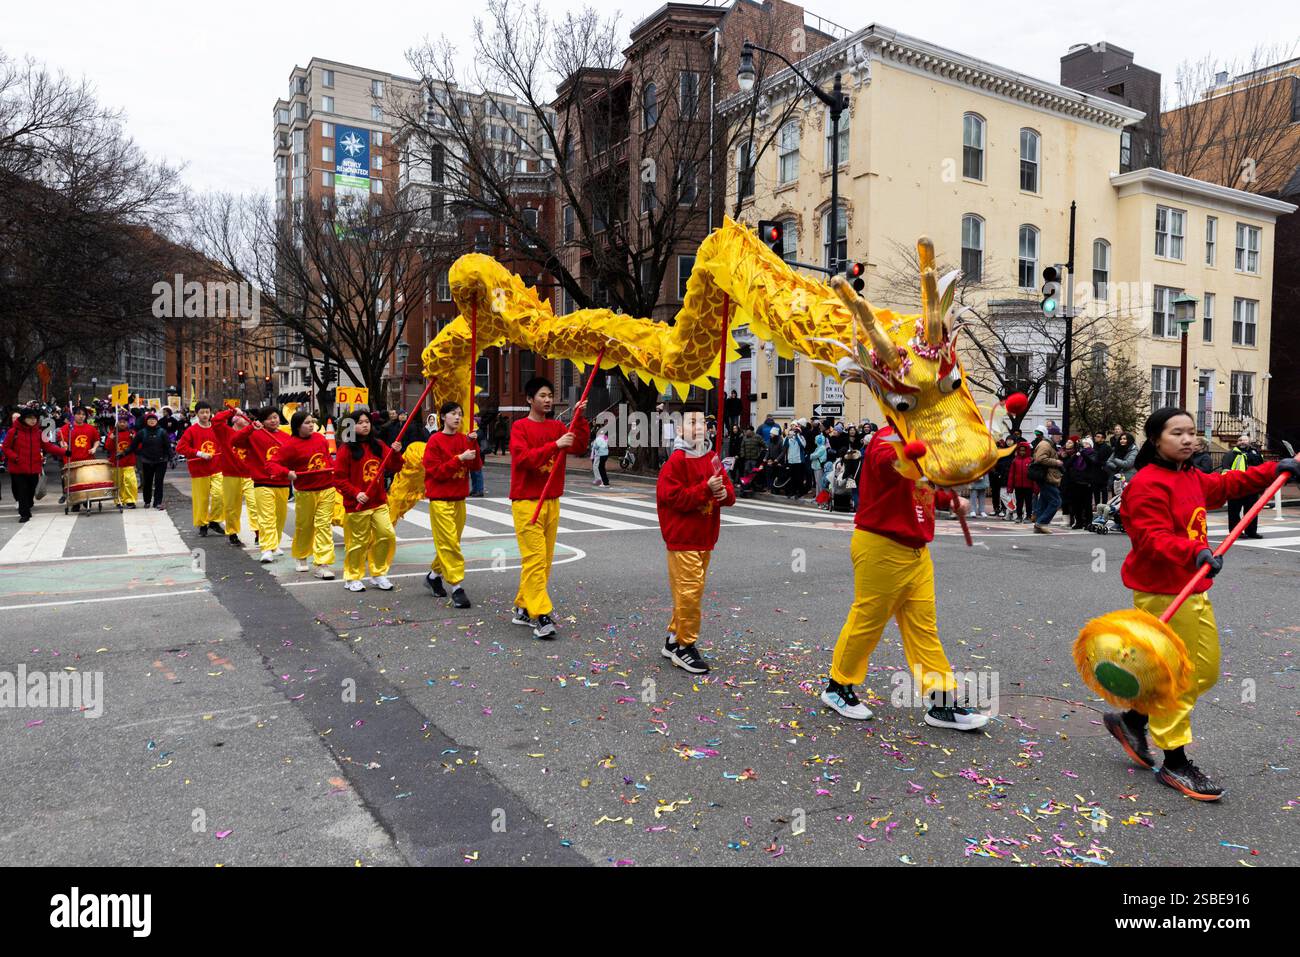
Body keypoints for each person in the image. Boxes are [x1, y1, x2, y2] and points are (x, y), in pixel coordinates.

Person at [1105, 407, 1300, 800]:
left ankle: (1132, 719)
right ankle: (1174, 762)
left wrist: (1278, 470)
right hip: (1163, 591)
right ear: (1155, 439)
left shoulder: (1191, 476)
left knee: (1204, 672)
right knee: (1176, 677)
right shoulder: (1146, 484)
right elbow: (1151, 538)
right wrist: (1193, 552)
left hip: (1193, 587)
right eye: (1177, 433)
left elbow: (1228, 485)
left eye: (1191, 432)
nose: (1188, 439)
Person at [821, 426, 988, 731]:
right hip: (881, 544)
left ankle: (941, 702)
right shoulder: (888, 439)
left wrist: (948, 501)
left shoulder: (920, 441)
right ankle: (837, 686)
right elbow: (894, 467)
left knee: (923, 627)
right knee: (867, 621)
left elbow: (919, 488)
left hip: (916, 550)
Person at [509, 376, 589, 639]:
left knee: (543, 561)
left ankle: (522, 605)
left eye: (550, 395)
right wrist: (554, 445)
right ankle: (540, 614)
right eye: (542, 395)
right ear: (530, 399)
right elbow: (523, 460)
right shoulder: (519, 427)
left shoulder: (557, 426)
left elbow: (578, 446)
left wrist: (580, 418)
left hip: (551, 500)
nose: (547, 400)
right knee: (534, 559)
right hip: (526, 503)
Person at [657, 410, 735, 675]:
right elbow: (674, 498)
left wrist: (723, 493)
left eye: (702, 422)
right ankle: (685, 646)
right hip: (683, 538)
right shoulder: (676, 461)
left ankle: (673, 638)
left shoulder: (712, 459)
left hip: (705, 537)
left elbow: (729, 495)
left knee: (692, 590)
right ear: (679, 430)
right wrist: (706, 490)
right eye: (692, 422)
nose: (700, 426)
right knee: (689, 591)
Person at [422, 401, 481, 608]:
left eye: (460, 414)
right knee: (449, 544)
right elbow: (435, 472)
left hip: (459, 500)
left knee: (450, 542)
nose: (457, 417)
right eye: (453, 414)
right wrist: (459, 458)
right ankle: (457, 587)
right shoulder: (435, 441)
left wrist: (473, 444)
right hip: (440, 501)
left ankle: (433, 575)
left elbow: (476, 467)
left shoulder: (464, 440)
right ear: (443, 417)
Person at [334, 409, 401, 591]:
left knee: (386, 535)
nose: (365, 425)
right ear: (351, 426)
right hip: (357, 506)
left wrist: (395, 453)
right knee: (357, 542)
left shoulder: (378, 445)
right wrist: (356, 493)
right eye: (360, 422)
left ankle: (378, 573)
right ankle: (352, 577)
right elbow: (339, 479)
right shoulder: (345, 449)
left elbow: (395, 466)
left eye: (367, 422)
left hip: (378, 502)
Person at [268, 409, 336, 578]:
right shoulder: (290, 445)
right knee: (305, 526)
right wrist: (287, 473)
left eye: (312, 421)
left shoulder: (320, 439)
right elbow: (272, 464)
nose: (311, 425)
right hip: (306, 491)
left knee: (323, 526)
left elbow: (327, 458)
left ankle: (323, 564)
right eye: (307, 422)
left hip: (327, 488)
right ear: (298, 426)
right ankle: (301, 556)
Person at [232, 407, 290, 563]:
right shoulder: (254, 435)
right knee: (266, 517)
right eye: (270, 418)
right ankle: (266, 548)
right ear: (262, 421)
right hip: (262, 482)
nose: (274, 420)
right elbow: (235, 441)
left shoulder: (286, 437)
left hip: (282, 483)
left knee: (279, 517)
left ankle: (274, 544)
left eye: (276, 417)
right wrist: (251, 427)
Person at [3, 406, 66, 522]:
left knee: (31, 489)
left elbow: (49, 446)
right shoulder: (13, 432)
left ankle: (27, 505)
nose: (33, 420)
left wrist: (65, 452)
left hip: (34, 468)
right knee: (22, 490)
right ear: (23, 419)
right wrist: (16, 457)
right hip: (18, 468)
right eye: (30, 418)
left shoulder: (39, 432)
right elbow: (6, 448)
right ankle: (24, 513)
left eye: (35, 418)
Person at [174, 401, 226, 537]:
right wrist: (198, 453)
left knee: (219, 494)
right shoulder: (191, 430)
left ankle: (214, 521)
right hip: (199, 470)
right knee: (201, 499)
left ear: (211, 413)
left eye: (207, 412)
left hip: (216, 468)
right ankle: (202, 524)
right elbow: (180, 448)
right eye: (202, 412)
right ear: (197, 414)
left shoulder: (216, 428)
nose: (205, 415)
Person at [213, 406, 257, 547]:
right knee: (232, 506)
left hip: (250, 474)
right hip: (231, 474)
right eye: (242, 415)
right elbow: (216, 420)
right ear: (236, 420)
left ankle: (258, 532)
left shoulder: (253, 433)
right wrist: (231, 411)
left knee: (255, 504)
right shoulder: (225, 432)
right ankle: (232, 533)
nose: (245, 417)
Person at [118, 411, 171, 509]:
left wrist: (171, 458)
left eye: (154, 419)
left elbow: (168, 446)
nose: (152, 421)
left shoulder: (162, 432)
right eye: (150, 419)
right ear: (146, 421)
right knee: (147, 482)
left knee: (159, 482)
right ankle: (147, 501)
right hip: (147, 461)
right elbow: (133, 446)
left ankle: (158, 502)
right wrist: (123, 454)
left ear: (157, 421)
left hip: (161, 461)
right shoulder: (142, 432)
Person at [58, 406, 101, 512]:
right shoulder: (67, 428)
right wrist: (63, 445)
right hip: (71, 460)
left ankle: (87, 500)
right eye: (78, 414)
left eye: (83, 414)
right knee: (73, 482)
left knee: (87, 481)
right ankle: (75, 502)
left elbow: (96, 440)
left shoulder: (91, 428)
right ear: (73, 415)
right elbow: (61, 440)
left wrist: (94, 448)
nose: (81, 416)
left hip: (87, 459)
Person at [1222, 436, 1266, 540]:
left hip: (1251, 487)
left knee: (1251, 511)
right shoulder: (1231, 454)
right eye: (1240, 440)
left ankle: (1251, 532)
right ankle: (1235, 532)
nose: (1242, 442)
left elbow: (1261, 468)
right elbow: (1225, 469)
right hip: (1236, 487)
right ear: (1237, 442)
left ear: (1249, 442)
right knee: (1234, 511)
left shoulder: (1256, 453)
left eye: (1245, 440)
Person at [104, 412, 138, 509]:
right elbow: (108, 447)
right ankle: (118, 500)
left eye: (124, 422)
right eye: (120, 422)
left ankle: (130, 500)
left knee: (130, 481)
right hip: (116, 462)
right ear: (117, 422)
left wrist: (134, 439)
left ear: (128, 423)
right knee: (117, 482)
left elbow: (138, 447)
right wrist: (111, 439)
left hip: (129, 461)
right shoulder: (112, 433)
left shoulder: (132, 432)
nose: (122, 424)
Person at [1031, 431, 1064, 533]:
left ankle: (1038, 525)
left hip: (1048, 476)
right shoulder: (1045, 444)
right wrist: (1056, 462)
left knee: (1044, 501)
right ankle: (1041, 523)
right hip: (1046, 477)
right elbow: (1040, 459)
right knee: (1056, 501)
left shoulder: (1049, 444)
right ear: (1052, 435)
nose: (1060, 438)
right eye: (1059, 436)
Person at [1005, 441, 1035, 522]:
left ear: (1027, 451)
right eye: (1020, 450)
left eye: (1024, 450)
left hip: (1028, 486)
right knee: (1019, 502)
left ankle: (1028, 516)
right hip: (1018, 486)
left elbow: (1033, 475)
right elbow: (1011, 474)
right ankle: (1019, 516)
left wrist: (1035, 487)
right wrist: (1010, 487)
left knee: (1028, 502)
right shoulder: (1015, 461)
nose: (1022, 452)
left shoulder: (1031, 460)